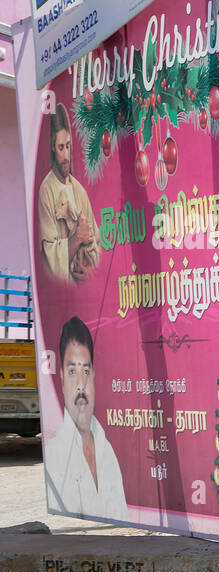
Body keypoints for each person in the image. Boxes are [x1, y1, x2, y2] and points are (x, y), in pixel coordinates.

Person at [44, 317, 128, 519]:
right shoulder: (54, 453)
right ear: (62, 378)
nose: (81, 385)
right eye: (73, 371)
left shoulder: (107, 450)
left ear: (94, 377)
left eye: (86, 371)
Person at [37, 102, 99, 284]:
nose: (65, 156)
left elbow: (96, 242)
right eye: (60, 147)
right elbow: (48, 257)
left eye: (68, 146)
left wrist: (90, 271)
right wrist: (76, 239)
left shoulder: (79, 190)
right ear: (52, 148)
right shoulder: (46, 190)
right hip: (65, 291)